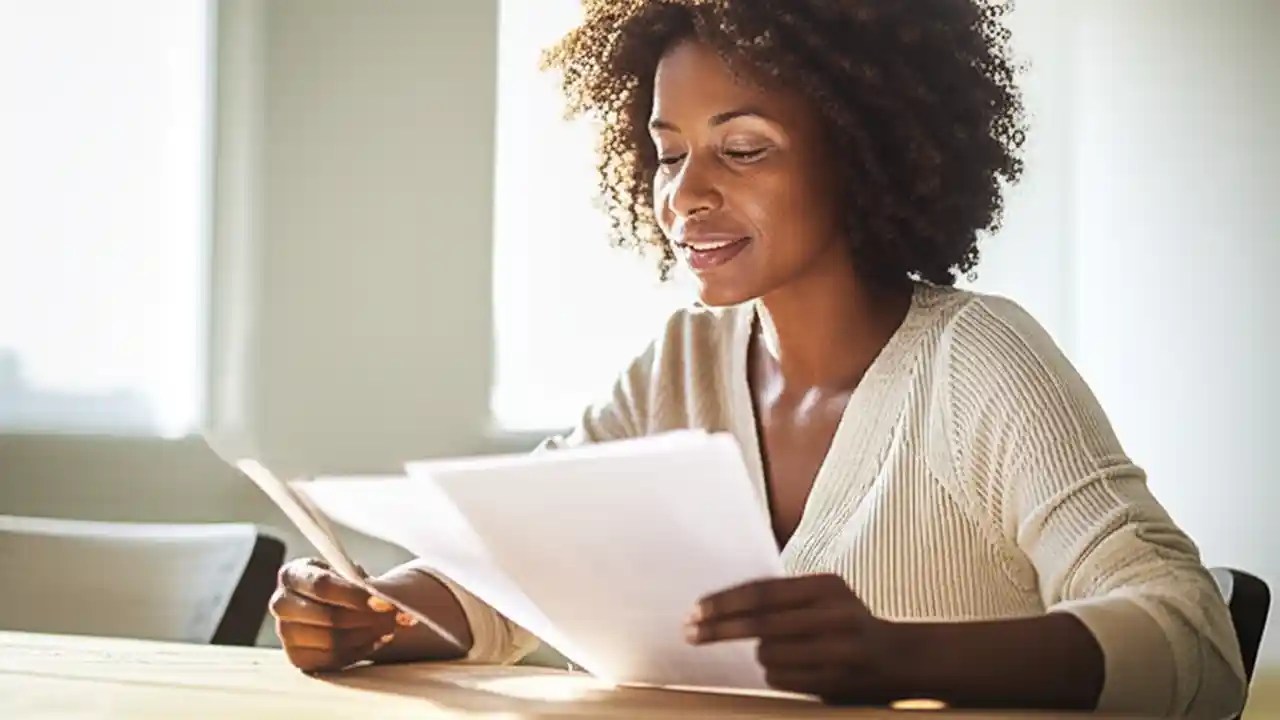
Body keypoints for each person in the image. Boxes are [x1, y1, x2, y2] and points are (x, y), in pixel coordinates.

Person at [268, 1, 1247, 715]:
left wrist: (900, 660)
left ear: (864, 154)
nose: (684, 194)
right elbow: (508, 585)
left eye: (741, 149)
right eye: (668, 151)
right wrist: (377, 614)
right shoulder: (679, 366)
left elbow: (1194, 645)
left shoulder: (975, 363)